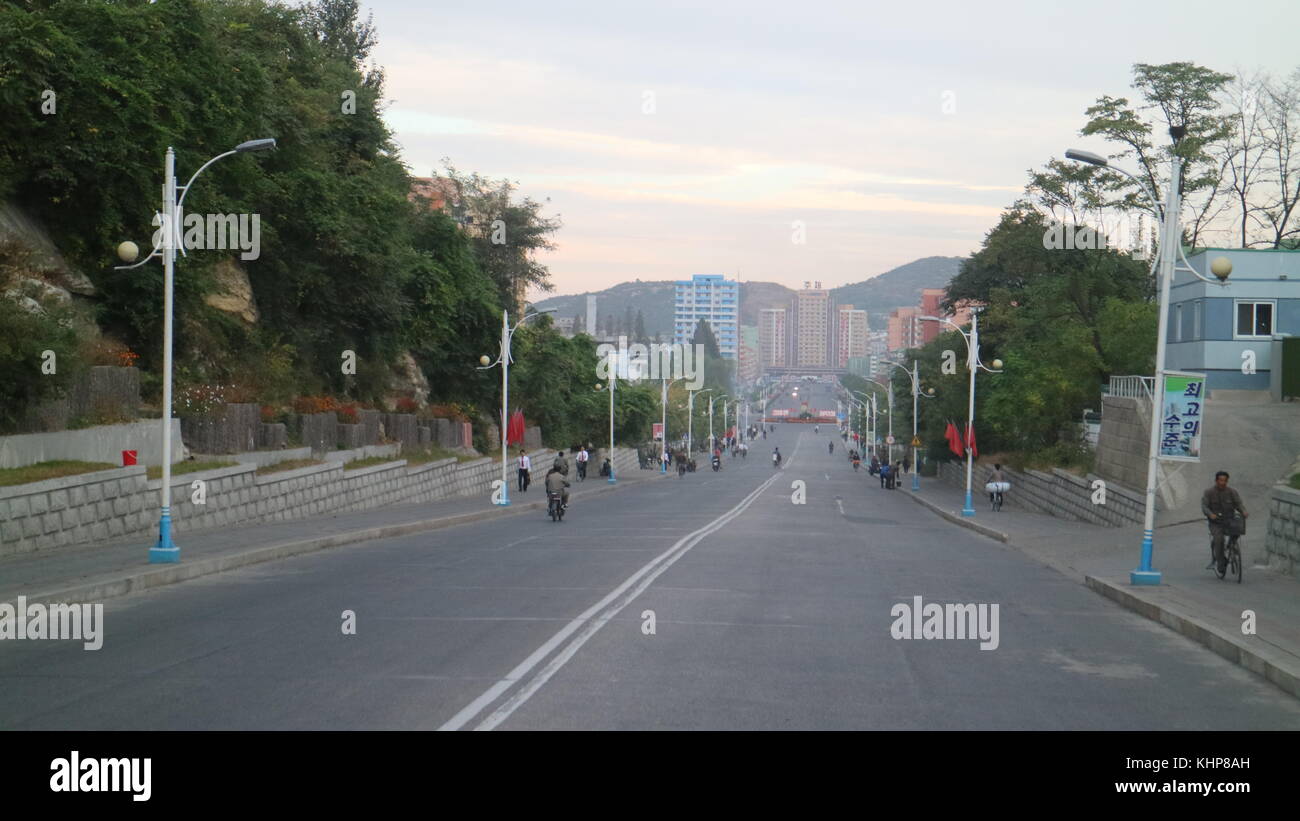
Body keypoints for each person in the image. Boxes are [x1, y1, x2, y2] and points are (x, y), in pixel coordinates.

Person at [1202, 471, 1247, 574]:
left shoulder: (1232, 492)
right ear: (1216, 480)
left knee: (1238, 531)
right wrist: (1210, 514)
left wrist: (1243, 511)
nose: (1223, 483)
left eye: (1225, 481)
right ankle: (1221, 562)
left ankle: (1232, 546)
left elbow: (1238, 504)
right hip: (1215, 522)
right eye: (1220, 480)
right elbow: (1204, 506)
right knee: (1219, 539)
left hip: (1229, 520)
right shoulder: (1209, 492)